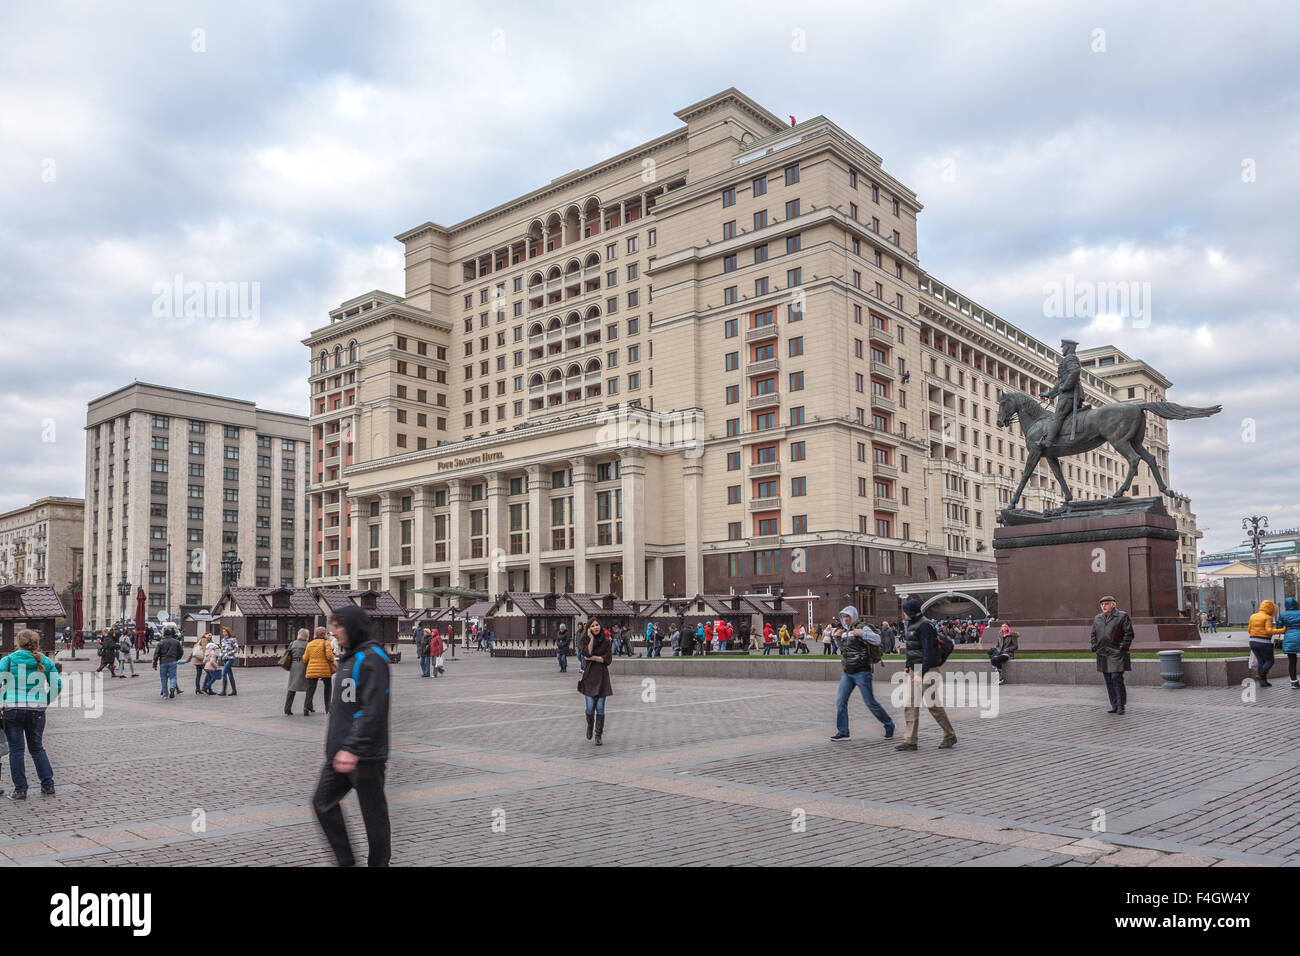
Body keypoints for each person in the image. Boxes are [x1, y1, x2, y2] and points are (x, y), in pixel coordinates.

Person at [312, 606, 392, 867]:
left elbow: (373, 709)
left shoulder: (372, 657)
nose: (334, 632)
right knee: (322, 803)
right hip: (339, 754)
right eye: (332, 626)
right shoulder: (349, 657)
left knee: (373, 815)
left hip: (364, 755)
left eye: (338, 626)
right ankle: (345, 861)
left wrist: (353, 747)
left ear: (354, 626)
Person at [1, 629, 62, 798]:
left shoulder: (7, 661)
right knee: (37, 748)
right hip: (37, 709)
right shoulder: (45, 661)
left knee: (16, 751)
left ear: (18, 643)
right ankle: (48, 784)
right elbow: (57, 684)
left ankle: (20, 789)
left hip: (12, 709)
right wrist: (45, 701)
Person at [896, 598, 956, 751]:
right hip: (915, 669)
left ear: (910, 611)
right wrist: (908, 666)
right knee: (910, 704)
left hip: (927, 670)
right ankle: (910, 741)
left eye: (904, 610)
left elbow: (929, 651)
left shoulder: (924, 625)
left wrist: (920, 673)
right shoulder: (912, 624)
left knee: (933, 705)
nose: (902, 613)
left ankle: (950, 735)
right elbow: (913, 650)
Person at [829, 606, 895, 741]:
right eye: (843, 617)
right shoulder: (845, 631)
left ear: (853, 616)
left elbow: (877, 640)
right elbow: (845, 650)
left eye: (848, 616)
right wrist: (837, 639)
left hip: (862, 671)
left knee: (870, 702)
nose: (845, 619)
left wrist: (862, 633)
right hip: (848, 672)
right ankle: (843, 731)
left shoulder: (862, 627)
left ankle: (889, 724)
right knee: (840, 701)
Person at [1091, 595, 1135, 712]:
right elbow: (1093, 634)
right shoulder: (1097, 618)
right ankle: (1114, 705)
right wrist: (1094, 645)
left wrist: (1123, 647)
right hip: (1102, 653)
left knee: (1116, 677)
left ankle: (1121, 705)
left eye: (1106, 604)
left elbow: (1129, 633)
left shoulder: (1122, 616)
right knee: (1108, 679)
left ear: (1113, 604)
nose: (1103, 606)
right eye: (1102, 604)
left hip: (1117, 652)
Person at [576, 618, 613, 746]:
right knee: (590, 707)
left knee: (601, 708)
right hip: (589, 676)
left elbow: (607, 660)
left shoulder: (606, 641)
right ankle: (590, 724)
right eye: (593, 626)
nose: (596, 627)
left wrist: (594, 658)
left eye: (597, 625)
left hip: (602, 676)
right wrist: (591, 639)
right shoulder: (584, 640)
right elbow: (586, 652)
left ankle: (598, 735)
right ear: (589, 629)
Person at [1247, 599, 1286, 688]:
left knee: (1261, 661)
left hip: (1252, 641)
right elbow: (1269, 631)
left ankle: (1263, 681)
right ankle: (1261, 674)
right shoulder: (1268, 617)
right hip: (1264, 642)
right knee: (1270, 661)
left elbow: (1249, 630)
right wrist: (1283, 630)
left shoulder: (1252, 616)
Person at [303, 626, 337, 715]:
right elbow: (329, 656)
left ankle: (306, 706)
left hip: (312, 669)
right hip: (325, 669)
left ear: (315, 634)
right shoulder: (326, 643)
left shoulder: (309, 644)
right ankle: (328, 707)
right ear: (324, 634)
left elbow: (305, 659)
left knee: (311, 688)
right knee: (328, 687)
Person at [284, 627, 310, 716]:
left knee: (291, 687)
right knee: (309, 687)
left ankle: (287, 708)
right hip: (304, 666)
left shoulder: (293, 643)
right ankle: (308, 706)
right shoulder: (308, 644)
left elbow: (288, 654)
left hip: (294, 665)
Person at [152, 628, 184, 698]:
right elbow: (181, 651)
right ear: (171, 634)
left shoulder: (161, 642)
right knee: (173, 677)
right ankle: (172, 687)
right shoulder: (176, 642)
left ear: (164, 634)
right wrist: (177, 658)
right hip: (173, 661)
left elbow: (156, 654)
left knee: (163, 678)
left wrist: (155, 664)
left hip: (163, 662)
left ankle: (165, 695)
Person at [1278, 598, 1300, 688]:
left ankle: (1294, 682)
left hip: (1289, 639)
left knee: (1292, 661)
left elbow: (1279, 627)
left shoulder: (1283, 615)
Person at [217, 626, 239, 696]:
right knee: (230, 674)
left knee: (223, 673)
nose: (223, 632)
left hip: (230, 658)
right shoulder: (223, 640)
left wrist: (228, 653)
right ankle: (234, 691)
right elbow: (222, 650)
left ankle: (223, 691)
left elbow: (236, 649)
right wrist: (219, 658)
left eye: (224, 631)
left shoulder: (233, 639)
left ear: (228, 632)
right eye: (222, 631)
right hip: (224, 659)